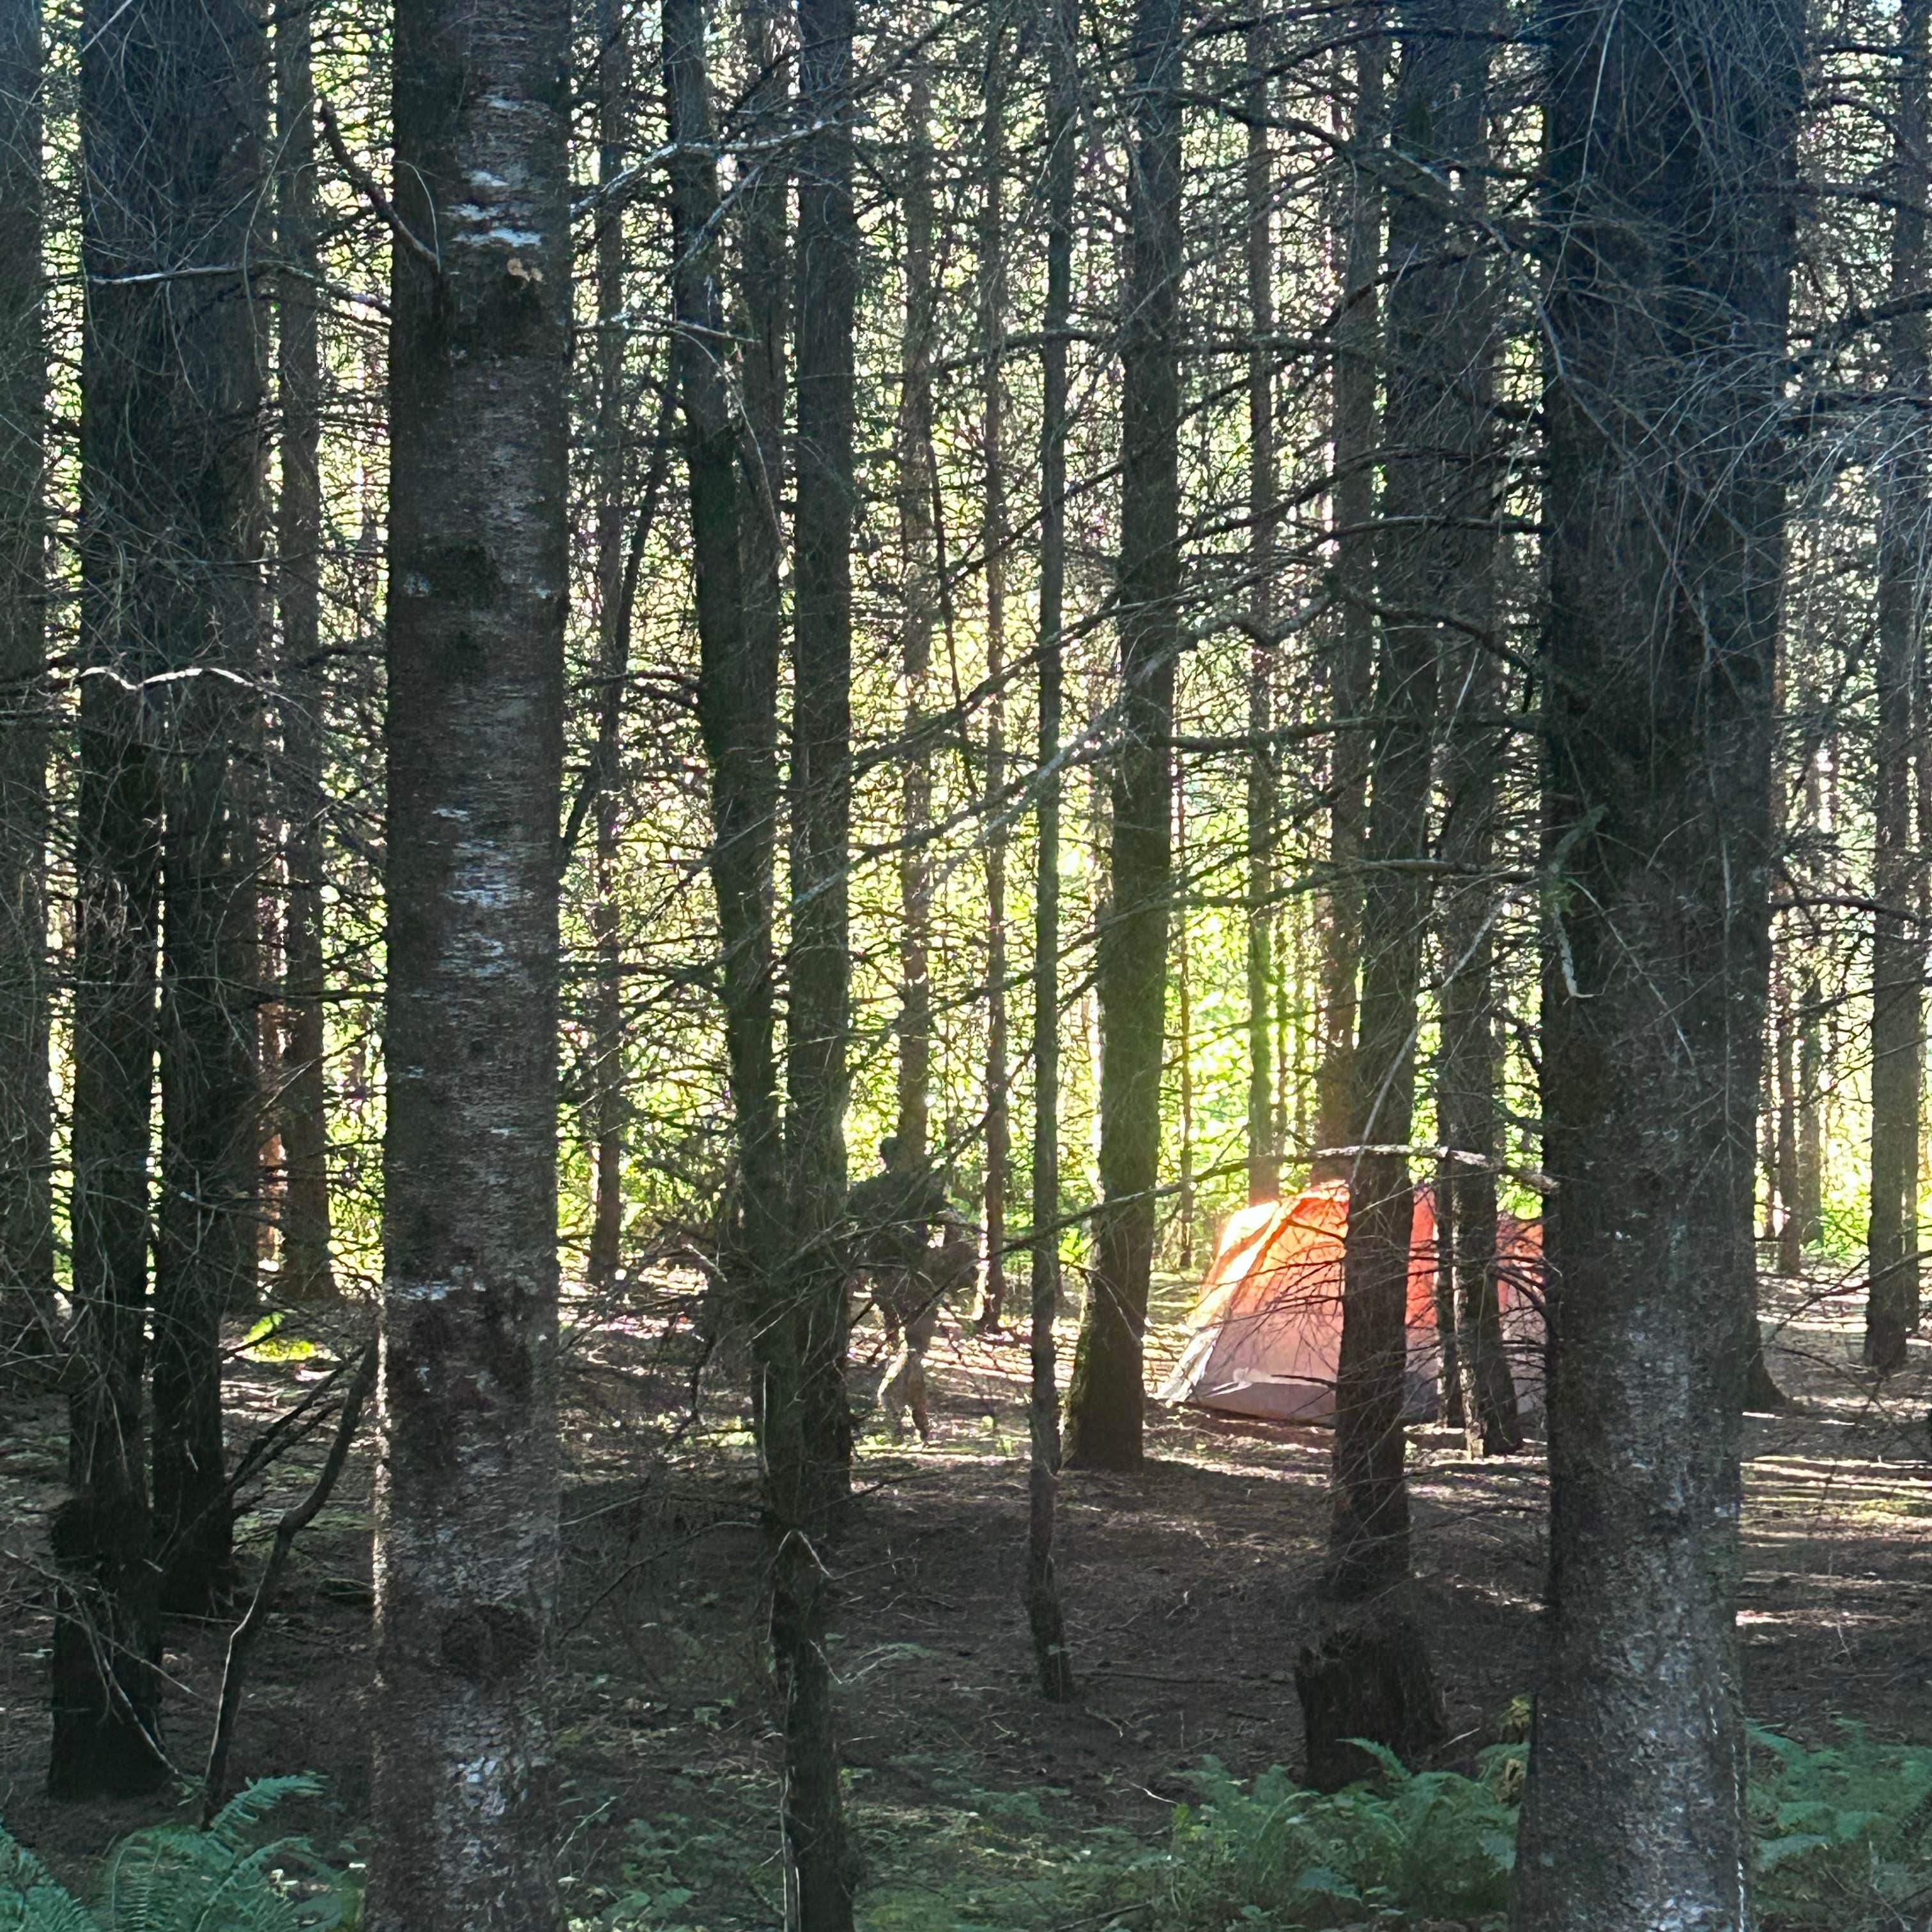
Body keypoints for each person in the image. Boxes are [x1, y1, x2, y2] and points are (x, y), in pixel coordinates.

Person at [847, 1137, 971, 1441]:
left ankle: (917, 1426)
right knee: (912, 1348)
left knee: (908, 1347)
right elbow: (953, 1220)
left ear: (881, 1158)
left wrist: (860, 1268)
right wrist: (945, 1254)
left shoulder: (868, 1191)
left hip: (888, 1278)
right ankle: (894, 1406)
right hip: (912, 1277)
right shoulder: (916, 1190)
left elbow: (848, 1228)